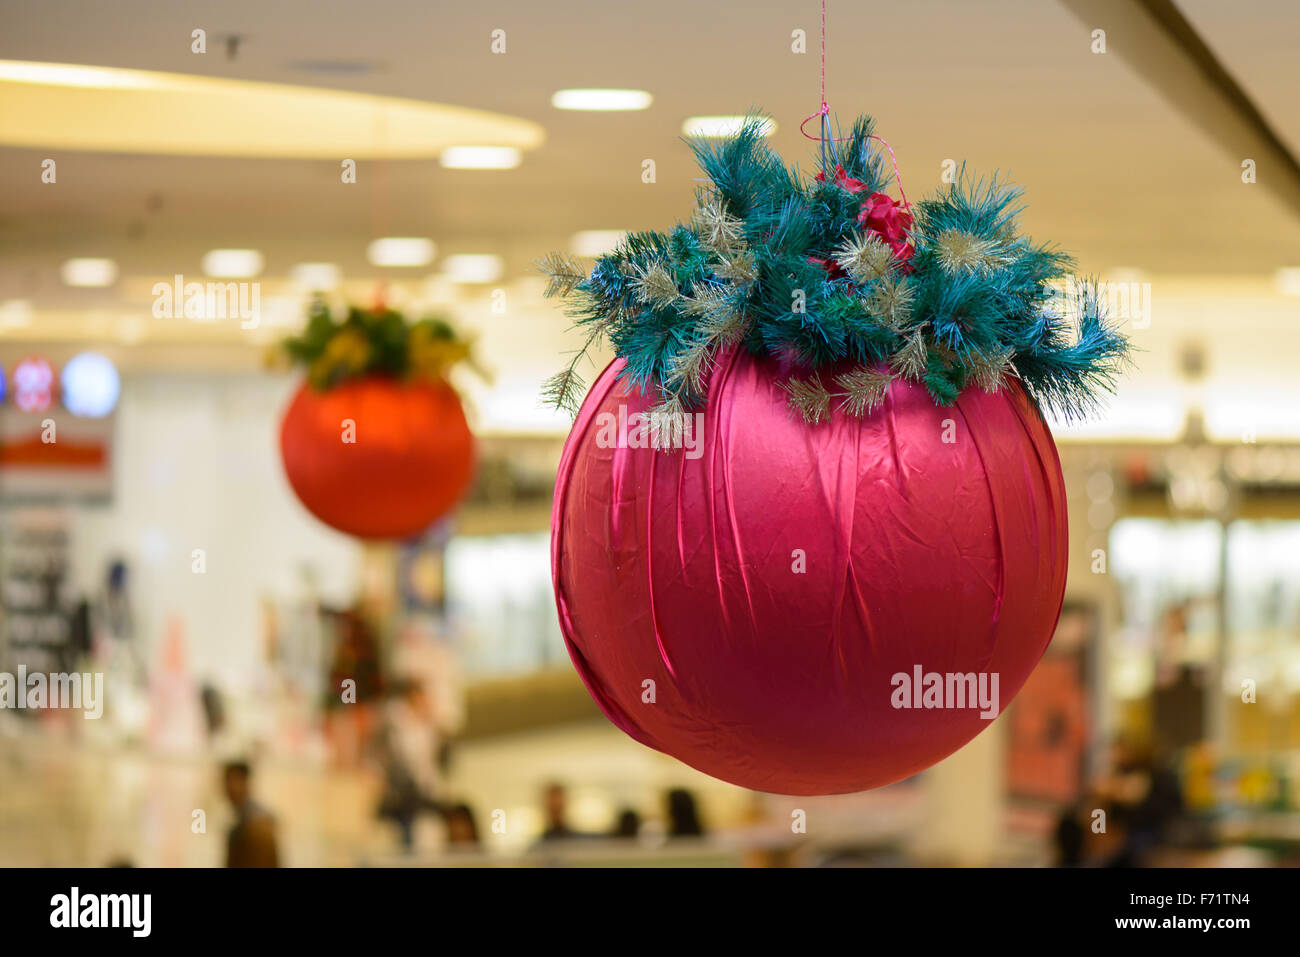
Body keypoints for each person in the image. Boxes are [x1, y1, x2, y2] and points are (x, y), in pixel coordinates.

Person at [221, 761, 280, 868]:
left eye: (235, 780)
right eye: (227, 780)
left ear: (246, 782)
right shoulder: (239, 819)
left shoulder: (258, 824)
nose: (231, 787)